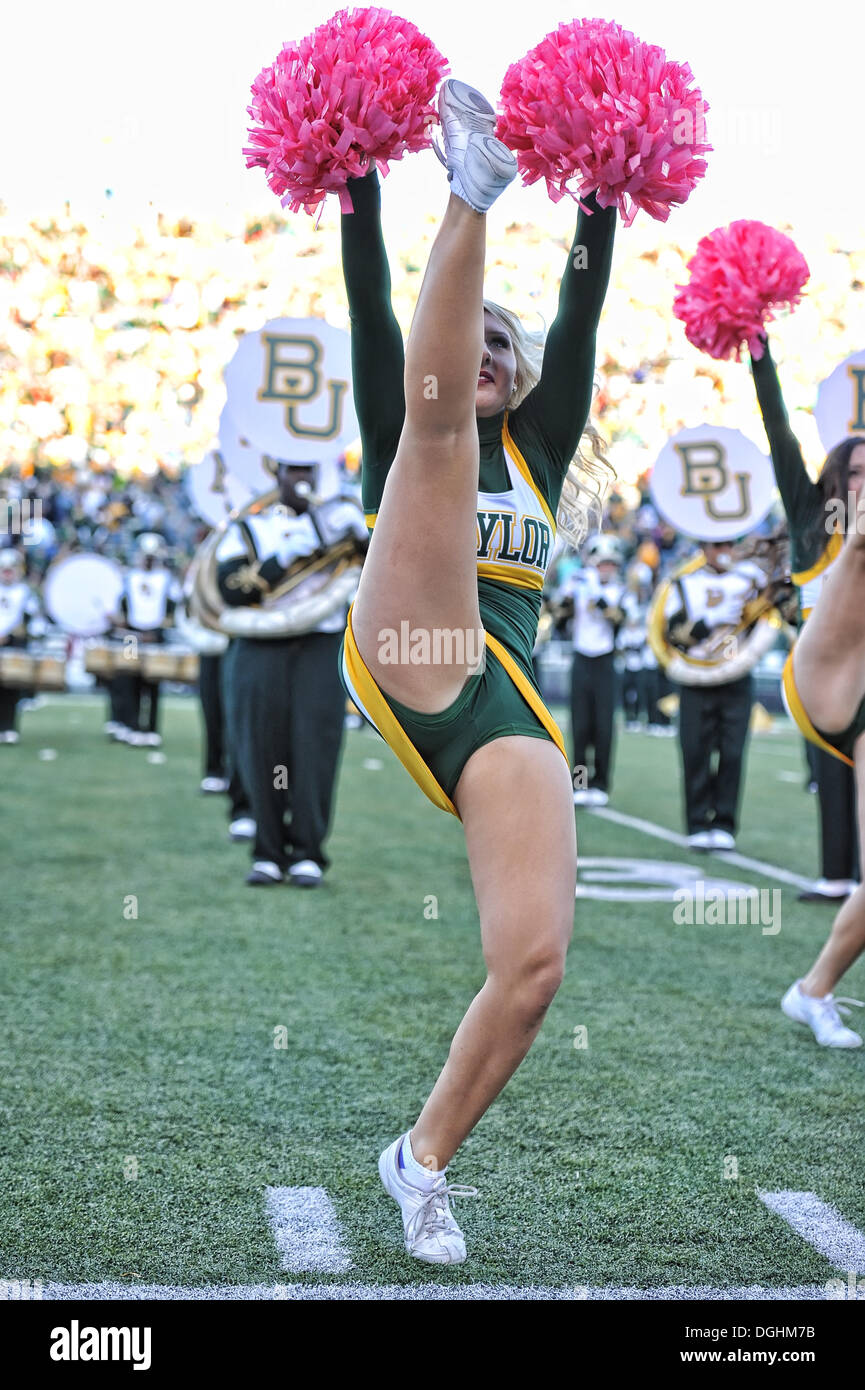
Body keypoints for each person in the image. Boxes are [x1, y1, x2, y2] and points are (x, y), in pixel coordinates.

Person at [337, 80, 615, 1263]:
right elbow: (367, 305)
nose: (491, 351)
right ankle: (470, 188)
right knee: (432, 428)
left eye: (506, 341)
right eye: (478, 334)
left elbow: (582, 301)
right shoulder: (418, 409)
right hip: (409, 641)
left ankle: (421, 1160)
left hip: (503, 698)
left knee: (535, 965)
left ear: (529, 368)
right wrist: (351, 174)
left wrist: (609, 187)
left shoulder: (545, 450)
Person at [750, 335, 865, 1045]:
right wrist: (761, 347)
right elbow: (775, 427)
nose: (861, 478)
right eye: (853, 470)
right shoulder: (809, 519)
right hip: (827, 682)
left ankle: (813, 989)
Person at [217, 461, 368, 887]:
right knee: (260, 745)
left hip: (319, 644)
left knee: (315, 745)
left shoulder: (342, 521)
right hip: (260, 646)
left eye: (310, 470)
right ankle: (267, 850)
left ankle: (308, 851)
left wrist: (365, 533)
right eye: (293, 469)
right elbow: (231, 588)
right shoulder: (248, 529)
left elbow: (387, 568)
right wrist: (284, 554)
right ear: (276, 474)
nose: (302, 479)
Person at [663, 540, 763, 851]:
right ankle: (696, 822)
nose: (723, 549)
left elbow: (766, 621)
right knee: (695, 750)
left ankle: (724, 823)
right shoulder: (683, 581)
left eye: (728, 543)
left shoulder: (751, 581)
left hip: (736, 676)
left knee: (733, 752)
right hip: (696, 676)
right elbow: (671, 630)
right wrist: (705, 625)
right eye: (716, 543)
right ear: (704, 546)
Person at [556, 533, 626, 805]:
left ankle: (601, 783)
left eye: (611, 564)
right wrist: (569, 593)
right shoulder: (579, 584)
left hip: (606, 661)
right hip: (581, 658)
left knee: (604, 725)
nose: (607, 568)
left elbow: (620, 620)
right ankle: (580, 782)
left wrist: (596, 593)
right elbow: (560, 615)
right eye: (602, 563)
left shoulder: (620, 591)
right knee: (581, 725)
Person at [112, 533, 181, 747]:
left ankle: (151, 728)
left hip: (156, 636)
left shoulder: (167, 579)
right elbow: (122, 607)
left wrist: (159, 631)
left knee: (154, 682)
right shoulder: (129, 577)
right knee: (129, 679)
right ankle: (131, 725)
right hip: (132, 636)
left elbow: (173, 610)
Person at [0, 548, 40, 744]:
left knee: (10, 689)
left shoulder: (25, 592)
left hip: (13, 645)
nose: (7, 573)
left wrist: (16, 633)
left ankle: (8, 727)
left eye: (10, 569)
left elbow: (33, 620)